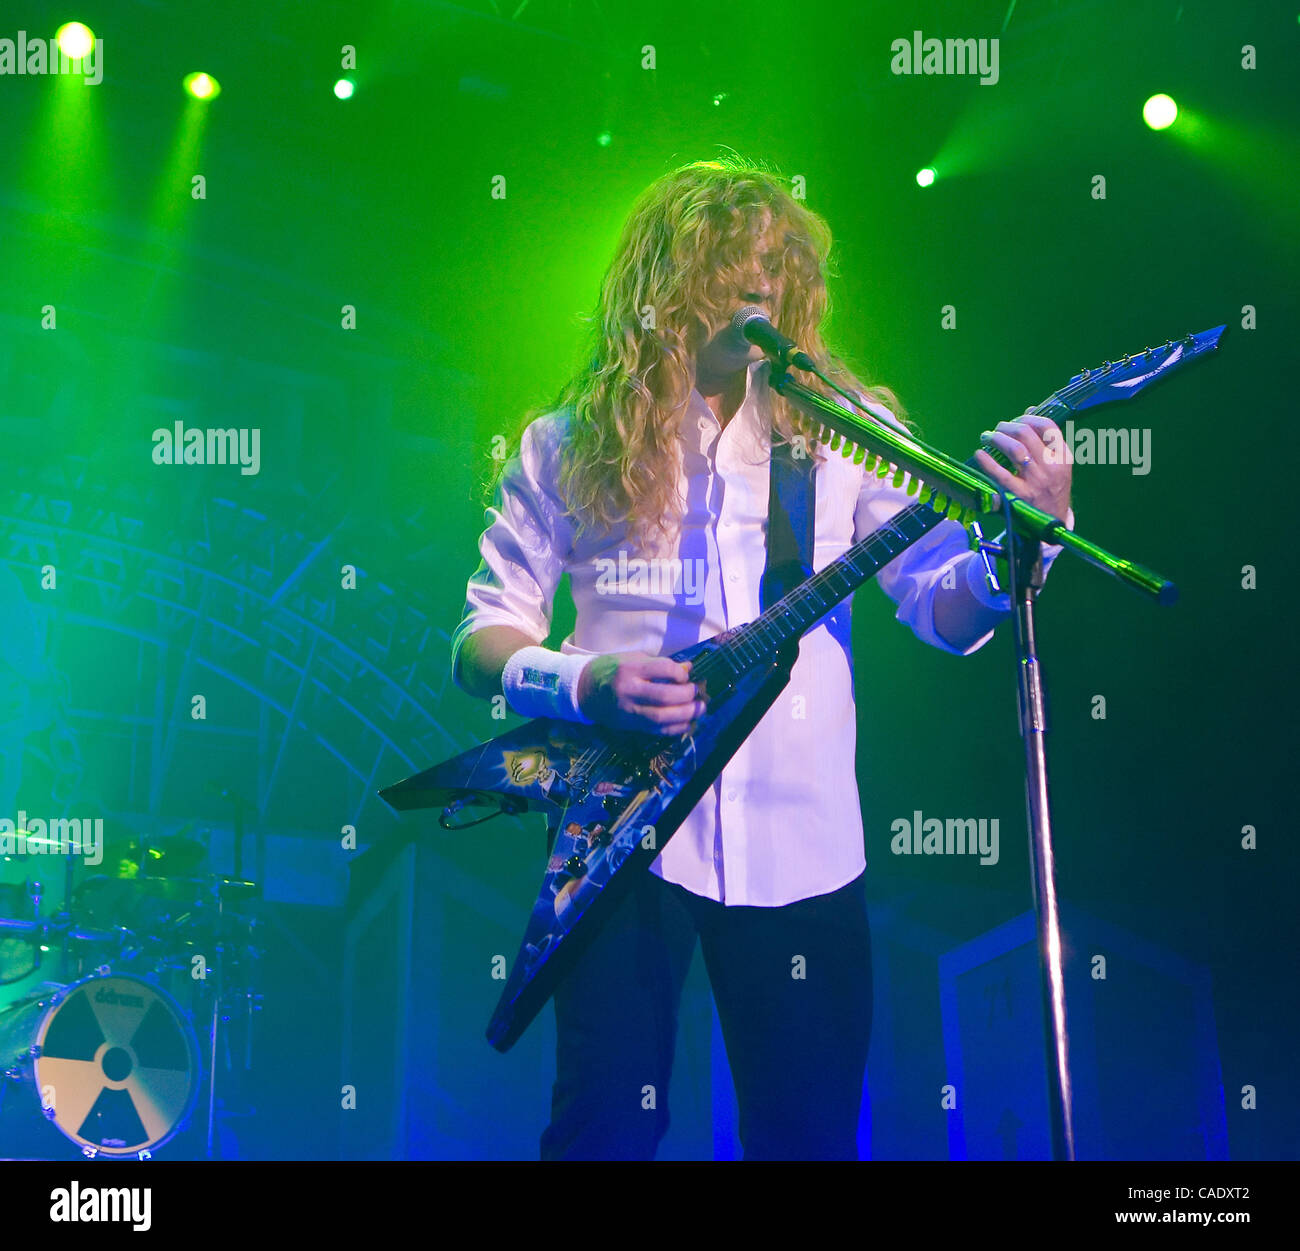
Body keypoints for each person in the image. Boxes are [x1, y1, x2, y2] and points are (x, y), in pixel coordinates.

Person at [450, 157, 1073, 1160]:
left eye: (775, 264)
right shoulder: (565, 442)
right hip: (625, 839)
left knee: (810, 1137)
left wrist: (1019, 551)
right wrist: (587, 682)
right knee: (604, 1127)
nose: (760, 281)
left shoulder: (841, 433)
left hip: (805, 849)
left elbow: (939, 607)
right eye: (732, 260)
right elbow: (481, 641)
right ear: (664, 278)